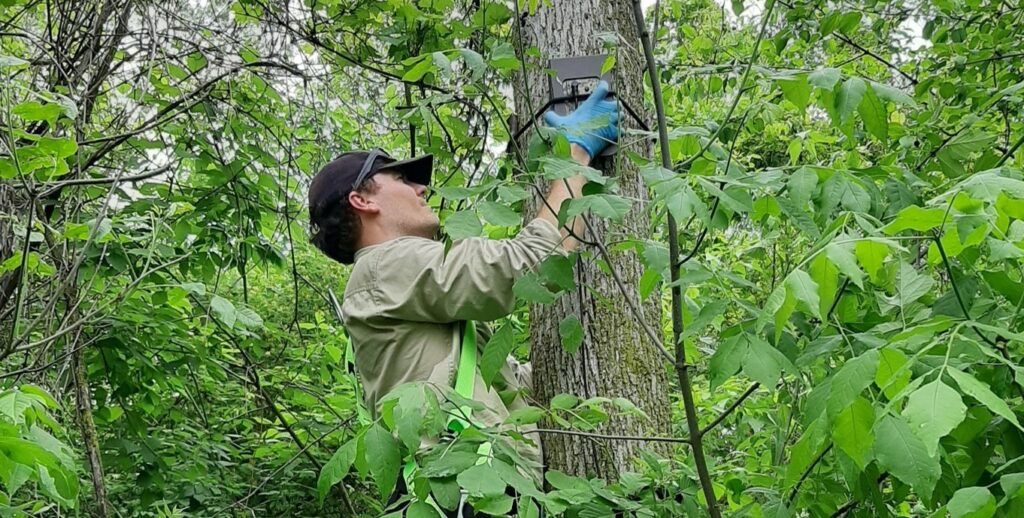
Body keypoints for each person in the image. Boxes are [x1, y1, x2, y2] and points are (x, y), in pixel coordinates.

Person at [307, 82, 620, 505]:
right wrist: (577, 155)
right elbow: (534, 263)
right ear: (362, 200)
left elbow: (503, 386)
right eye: (401, 178)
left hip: (479, 493)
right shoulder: (384, 265)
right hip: (468, 493)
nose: (421, 189)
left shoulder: (409, 295)